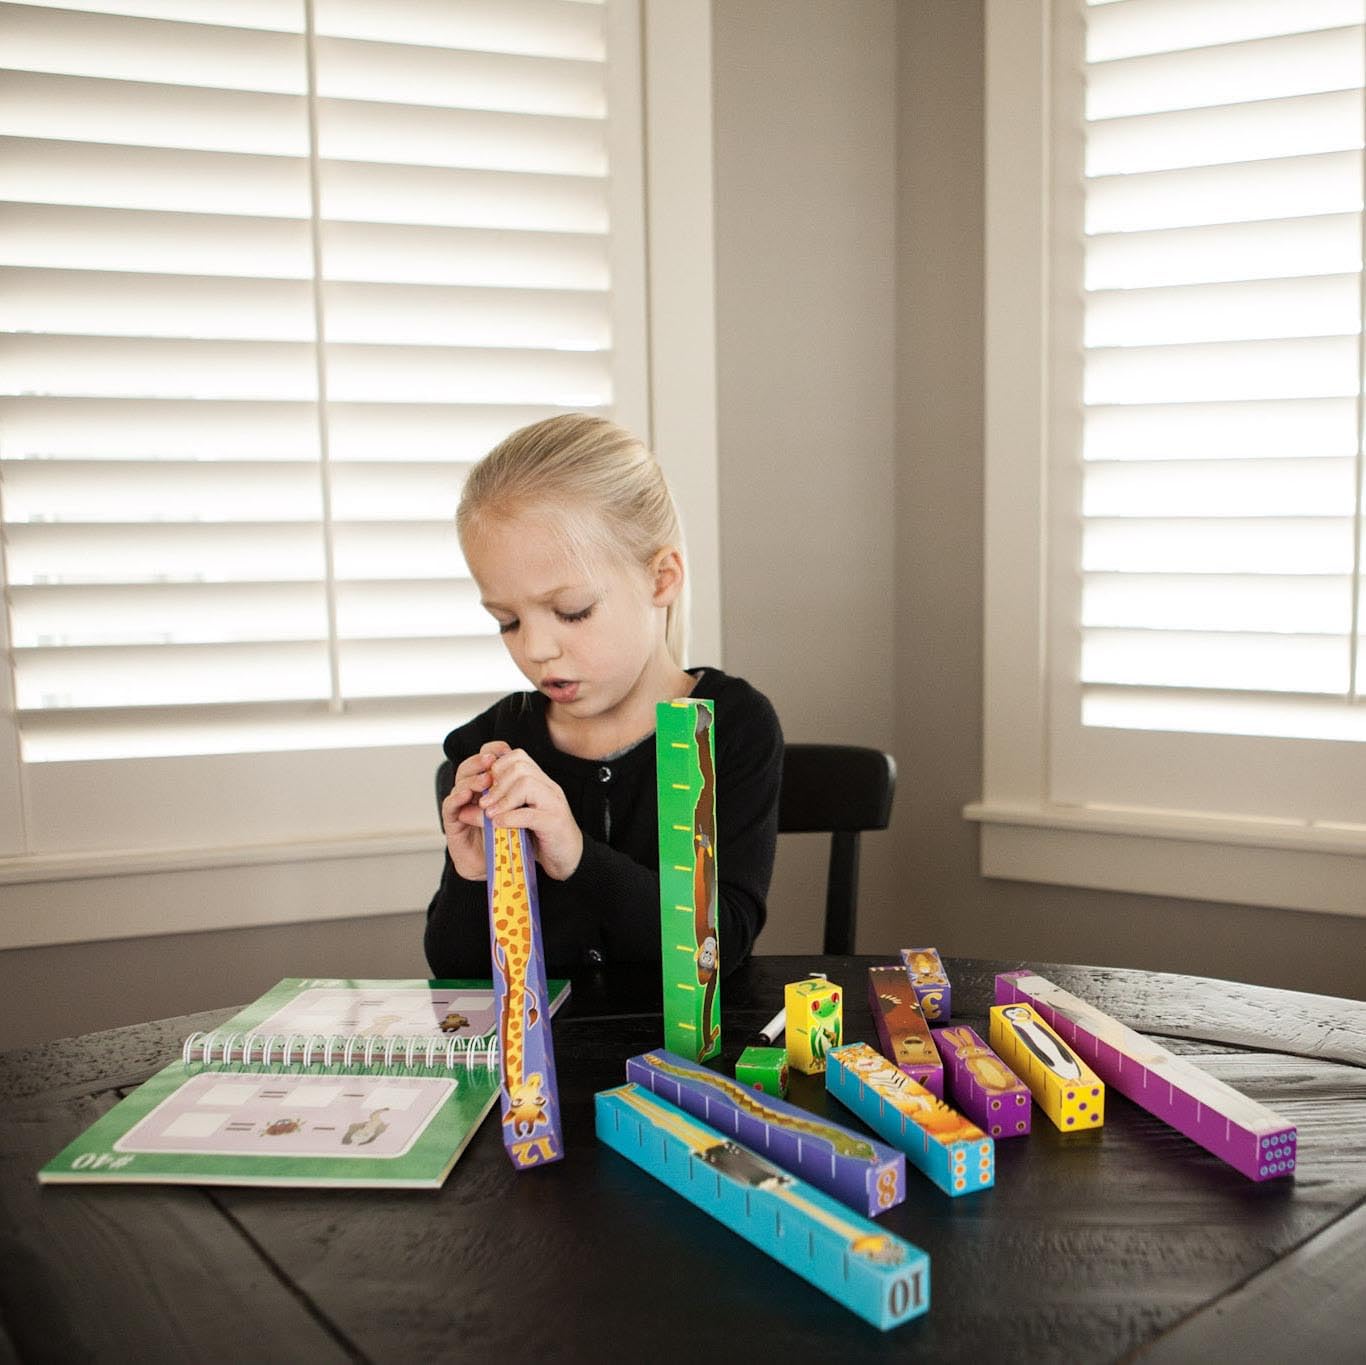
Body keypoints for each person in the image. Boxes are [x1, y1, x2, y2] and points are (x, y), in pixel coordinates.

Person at [424, 413, 783, 982]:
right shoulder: (490, 746)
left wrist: (577, 856)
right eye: (508, 621)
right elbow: (459, 976)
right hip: (555, 1067)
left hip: (694, 1064)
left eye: (572, 612)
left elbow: (722, 946)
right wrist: (473, 876)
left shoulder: (730, 727)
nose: (537, 649)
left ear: (661, 579)